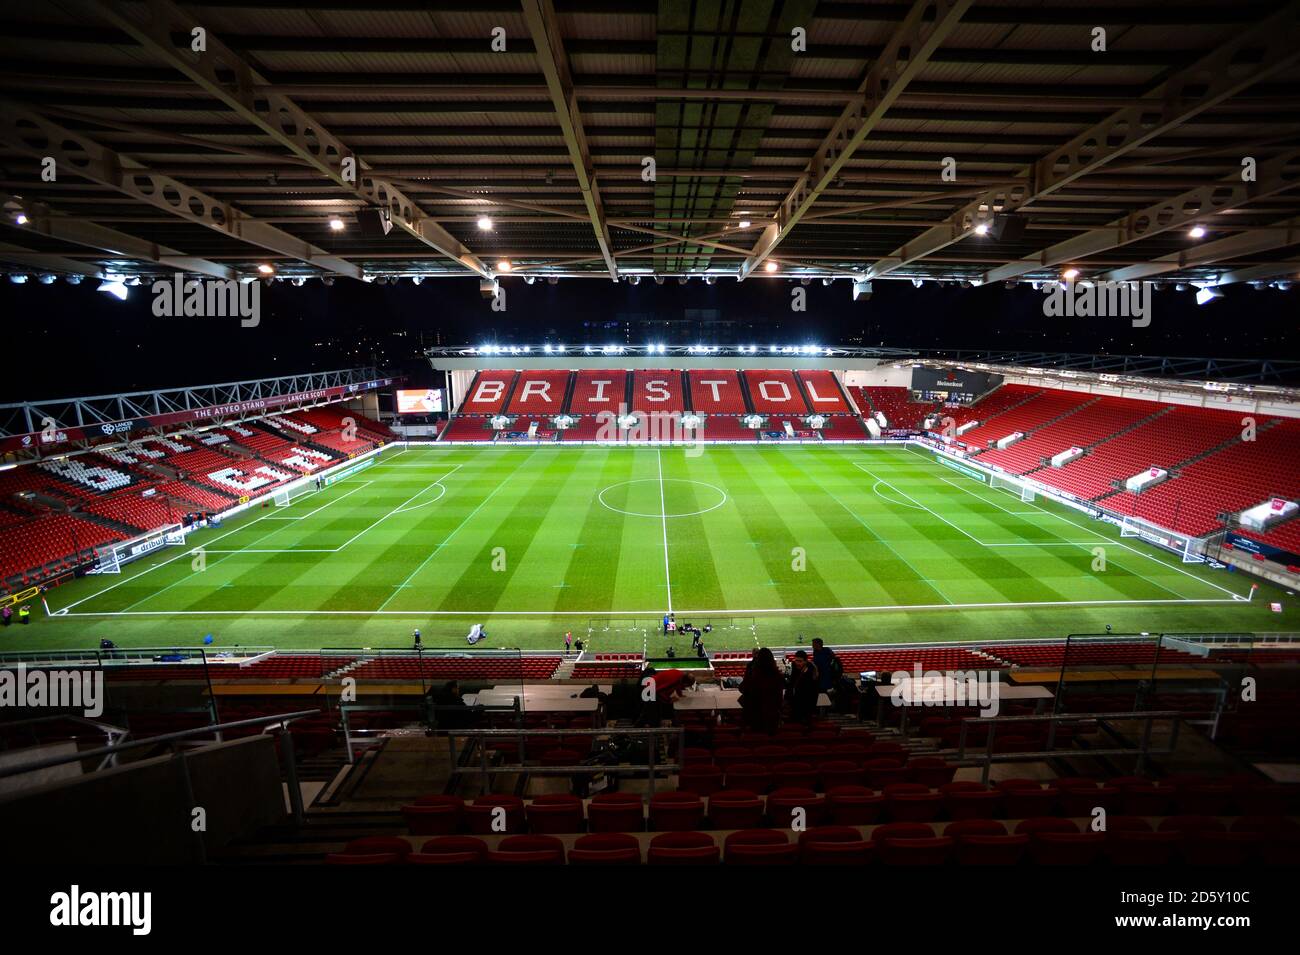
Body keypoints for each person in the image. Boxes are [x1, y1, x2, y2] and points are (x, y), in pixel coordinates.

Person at [739, 648, 784, 735]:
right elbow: (779, 698)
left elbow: (742, 688)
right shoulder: (778, 676)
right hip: (772, 716)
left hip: (755, 715)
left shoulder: (753, 676)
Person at [786, 650, 820, 724]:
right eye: (796, 660)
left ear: (805, 661)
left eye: (800, 661)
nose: (797, 663)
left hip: (806, 707)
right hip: (795, 704)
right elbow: (792, 683)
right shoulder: (795, 667)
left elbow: (813, 694)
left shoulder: (811, 673)